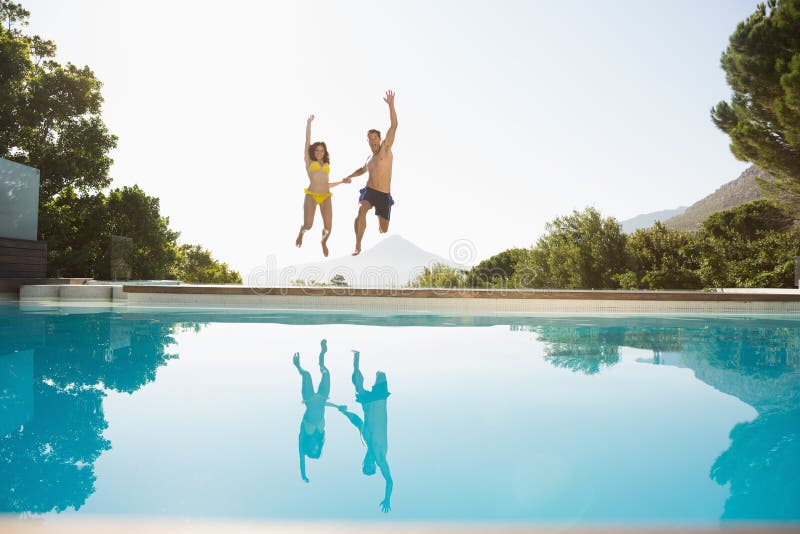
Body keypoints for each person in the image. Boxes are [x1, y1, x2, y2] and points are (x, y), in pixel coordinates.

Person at [341, 90, 398, 256]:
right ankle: (358, 244)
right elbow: (362, 169)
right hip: (370, 191)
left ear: (380, 139)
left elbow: (394, 126)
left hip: (384, 194)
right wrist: (349, 177)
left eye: (375, 138)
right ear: (367, 141)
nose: (373, 141)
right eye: (370, 138)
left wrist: (391, 105)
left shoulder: (386, 150)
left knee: (384, 229)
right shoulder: (369, 159)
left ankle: (380, 220)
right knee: (361, 210)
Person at [336, 350, 393, 512]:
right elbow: (389, 481)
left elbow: (357, 421)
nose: (368, 463)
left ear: (363, 462)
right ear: (374, 465)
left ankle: (356, 361)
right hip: (380, 400)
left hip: (367, 405)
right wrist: (387, 498)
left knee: (357, 384)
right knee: (381, 372)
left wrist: (344, 412)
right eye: (370, 467)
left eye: (365, 466)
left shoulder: (364, 439)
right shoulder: (380, 457)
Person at [293, 339, 345, 483]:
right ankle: (322, 356)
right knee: (326, 373)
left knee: (307, 374)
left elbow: (301, 457)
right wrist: (338, 407)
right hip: (322, 398)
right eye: (318, 450)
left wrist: (303, 474)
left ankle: (298, 366)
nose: (316, 448)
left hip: (309, 399)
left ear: (309, 450)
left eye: (313, 451)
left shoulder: (303, 437)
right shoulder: (321, 435)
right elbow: (323, 407)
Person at [296, 115, 349, 257]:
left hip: (325, 197)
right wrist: (308, 124)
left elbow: (326, 184)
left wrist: (342, 182)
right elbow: (307, 141)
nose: (319, 152)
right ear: (313, 152)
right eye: (317, 150)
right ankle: (301, 232)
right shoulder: (309, 162)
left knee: (328, 227)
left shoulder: (326, 165)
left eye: (322, 150)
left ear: (325, 153)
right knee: (308, 225)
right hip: (312, 196)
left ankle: (323, 242)